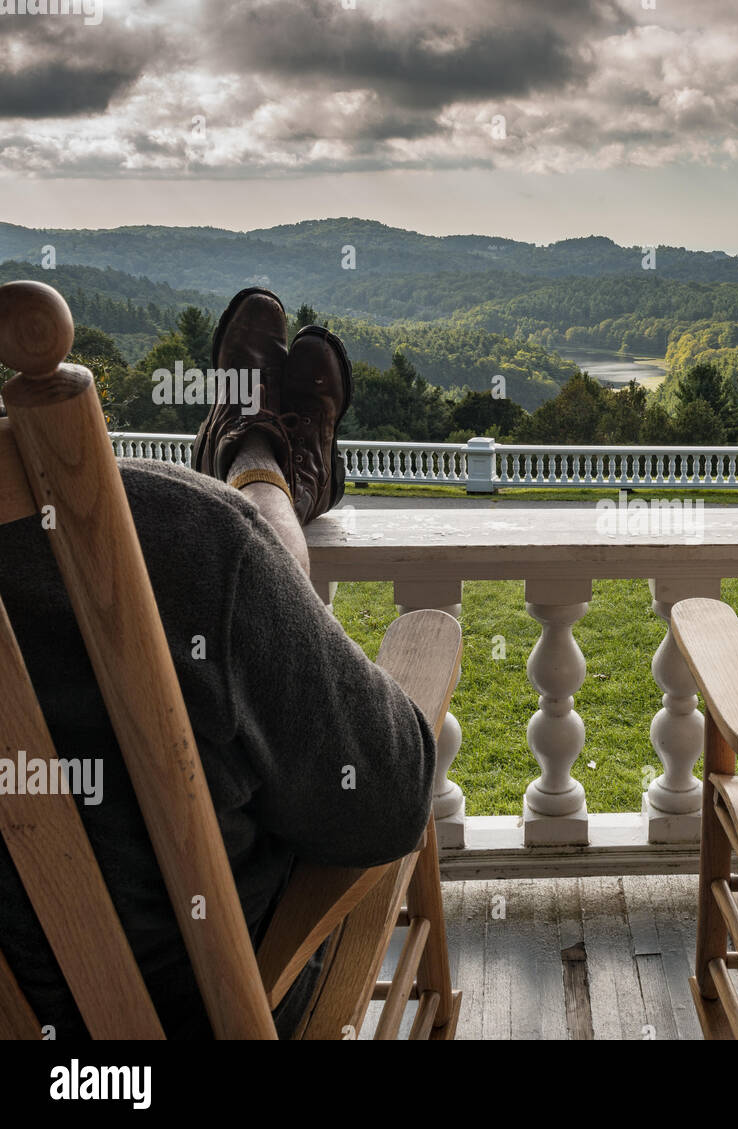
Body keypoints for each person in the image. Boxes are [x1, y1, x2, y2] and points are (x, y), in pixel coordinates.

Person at [0, 289, 439, 1038]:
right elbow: (388, 800)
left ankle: (258, 456)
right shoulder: (180, 532)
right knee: (249, 570)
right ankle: (262, 463)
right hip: (230, 1002)